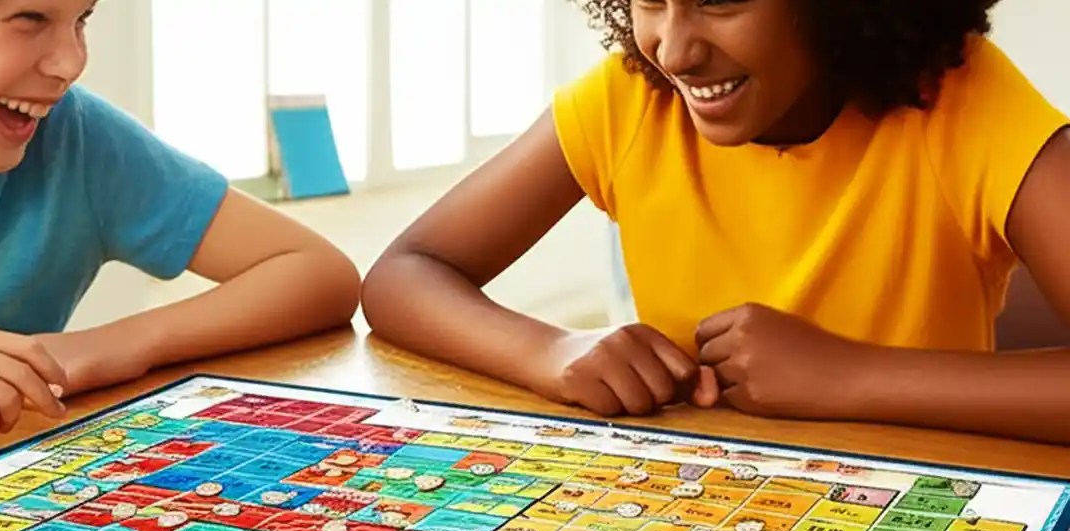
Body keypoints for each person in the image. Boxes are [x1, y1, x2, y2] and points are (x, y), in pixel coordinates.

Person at [362, 0, 1070, 445]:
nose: (672, 49)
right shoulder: (630, 102)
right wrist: (549, 353)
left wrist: (850, 377)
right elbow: (403, 275)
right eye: (651, 0)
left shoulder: (965, 102)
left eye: (719, 1)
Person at [0, 0, 361, 447]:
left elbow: (320, 274)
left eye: (81, 19)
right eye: (30, 18)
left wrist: (118, 343)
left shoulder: (79, 140)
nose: (70, 63)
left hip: (1, 483)